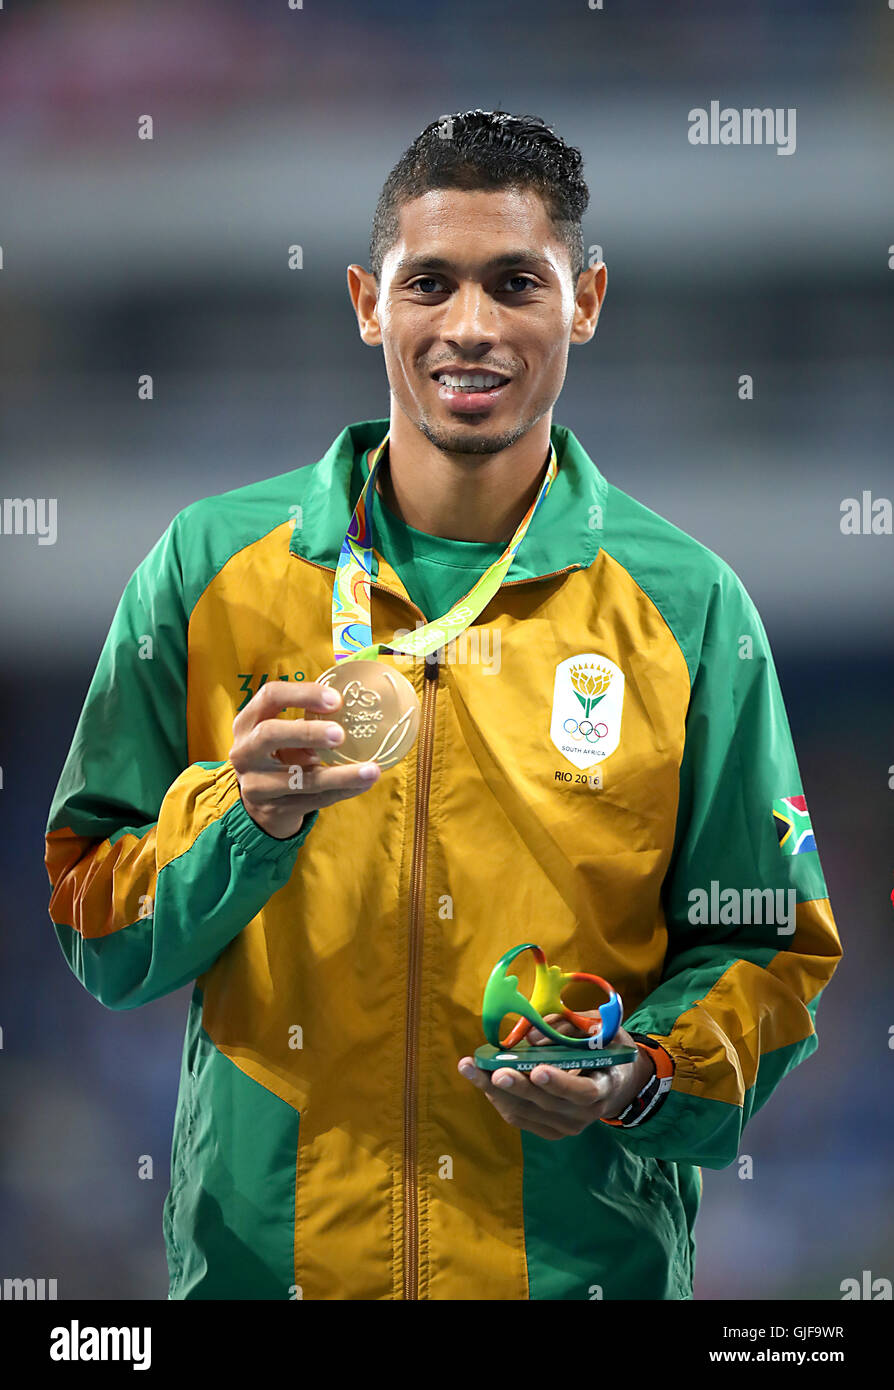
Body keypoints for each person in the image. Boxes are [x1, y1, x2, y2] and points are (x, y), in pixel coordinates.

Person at [45, 108, 841, 1301]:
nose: (470, 325)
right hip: (265, 1277)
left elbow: (770, 950)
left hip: (579, 1275)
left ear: (586, 302)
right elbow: (92, 919)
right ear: (369, 302)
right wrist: (236, 822)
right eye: (432, 283)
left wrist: (641, 1075)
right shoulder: (207, 569)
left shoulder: (690, 611)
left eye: (516, 281)